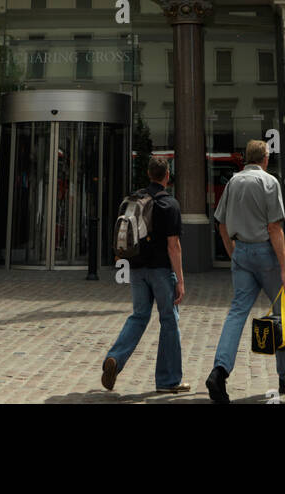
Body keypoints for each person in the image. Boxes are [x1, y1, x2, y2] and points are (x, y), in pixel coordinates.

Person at [206, 139, 285, 403]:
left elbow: (220, 224)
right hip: (265, 254)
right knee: (283, 312)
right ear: (265, 158)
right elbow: (275, 229)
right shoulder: (269, 182)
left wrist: (234, 254)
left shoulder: (232, 182)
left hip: (241, 251)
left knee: (237, 312)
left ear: (244, 159)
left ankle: (219, 372)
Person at [101, 157, 187, 395]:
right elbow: (174, 246)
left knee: (139, 316)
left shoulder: (134, 199)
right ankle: (168, 380)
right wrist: (180, 280)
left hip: (137, 268)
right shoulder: (169, 204)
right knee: (169, 321)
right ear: (166, 176)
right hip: (161, 270)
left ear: (149, 174)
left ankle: (114, 359)